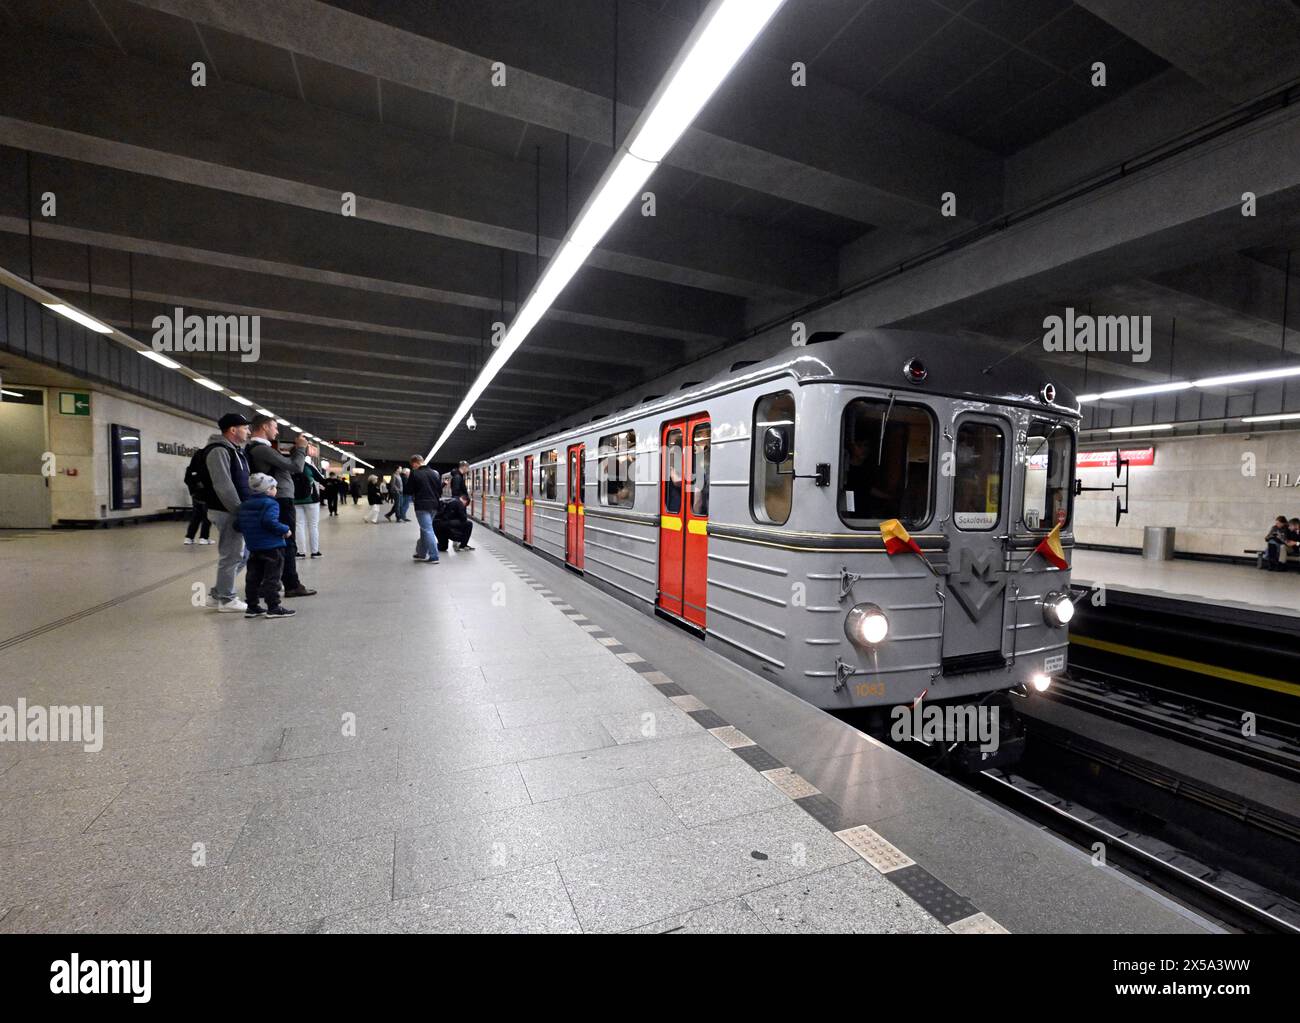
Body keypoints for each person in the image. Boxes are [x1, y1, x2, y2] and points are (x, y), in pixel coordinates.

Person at [245, 415, 316, 597]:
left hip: (276, 498)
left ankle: (267, 584)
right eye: (275, 427)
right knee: (288, 541)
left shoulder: (260, 449)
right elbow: (296, 467)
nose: (277, 431)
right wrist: (301, 449)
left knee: (275, 543)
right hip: (281, 500)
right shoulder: (261, 449)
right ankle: (292, 585)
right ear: (264, 427)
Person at [191, 412, 252, 612]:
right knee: (232, 555)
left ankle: (218, 593)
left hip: (233, 509)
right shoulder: (218, 451)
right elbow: (223, 485)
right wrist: (239, 510)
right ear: (233, 430)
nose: (248, 431)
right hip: (227, 510)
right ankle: (226, 599)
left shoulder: (234, 450)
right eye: (245, 428)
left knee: (241, 555)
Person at [235, 473, 296, 620]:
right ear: (268, 490)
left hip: (254, 547)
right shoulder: (270, 503)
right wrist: (285, 529)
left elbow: (237, 525)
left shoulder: (244, 504)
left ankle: (252, 606)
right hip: (272, 547)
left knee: (253, 578)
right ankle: (273, 607)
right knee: (272, 578)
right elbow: (269, 522)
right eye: (274, 487)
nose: (276, 490)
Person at [406, 455, 443, 563]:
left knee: (427, 530)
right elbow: (440, 490)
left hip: (422, 506)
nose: (413, 468)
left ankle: (434, 556)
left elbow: (408, 490)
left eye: (412, 466)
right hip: (434, 506)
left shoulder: (415, 473)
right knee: (425, 530)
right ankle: (421, 553)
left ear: (415, 463)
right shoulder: (434, 473)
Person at [293, 448, 326, 557]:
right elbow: (322, 479)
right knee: (313, 525)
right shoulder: (308, 467)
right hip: (311, 500)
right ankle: (314, 552)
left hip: (295, 500)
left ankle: (301, 552)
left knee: (299, 525)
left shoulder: (289, 466)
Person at [434, 479, 475, 552]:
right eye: (465, 505)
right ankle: (462, 545)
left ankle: (430, 545)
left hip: (437, 525)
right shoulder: (459, 503)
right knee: (469, 524)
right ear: (465, 501)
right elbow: (463, 519)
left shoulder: (450, 500)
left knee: (443, 547)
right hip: (445, 525)